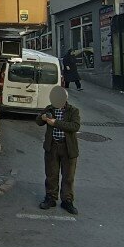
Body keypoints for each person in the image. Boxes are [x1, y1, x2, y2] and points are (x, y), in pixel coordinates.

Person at [36, 85, 81, 215]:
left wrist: (55, 123)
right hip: (52, 146)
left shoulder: (73, 111)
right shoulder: (50, 109)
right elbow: (38, 121)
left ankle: (67, 200)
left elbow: (75, 126)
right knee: (51, 174)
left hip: (68, 148)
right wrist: (43, 117)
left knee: (68, 176)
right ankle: (50, 198)